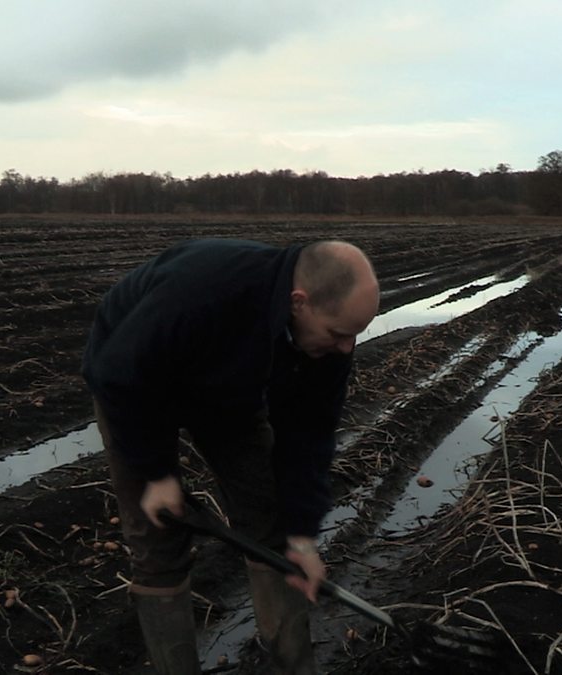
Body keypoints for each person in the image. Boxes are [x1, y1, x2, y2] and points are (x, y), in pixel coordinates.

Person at [82, 238, 379, 675]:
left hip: (227, 391)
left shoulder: (328, 347)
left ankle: (295, 668)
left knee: (269, 520)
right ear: (300, 302)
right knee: (159, 538)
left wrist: (302, 535)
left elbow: (309, 437)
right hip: (137, 386)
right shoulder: (206, 290)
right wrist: (156, 473)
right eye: (338, 334)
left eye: (355, 335)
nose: (346, 348)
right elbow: (117, 374)